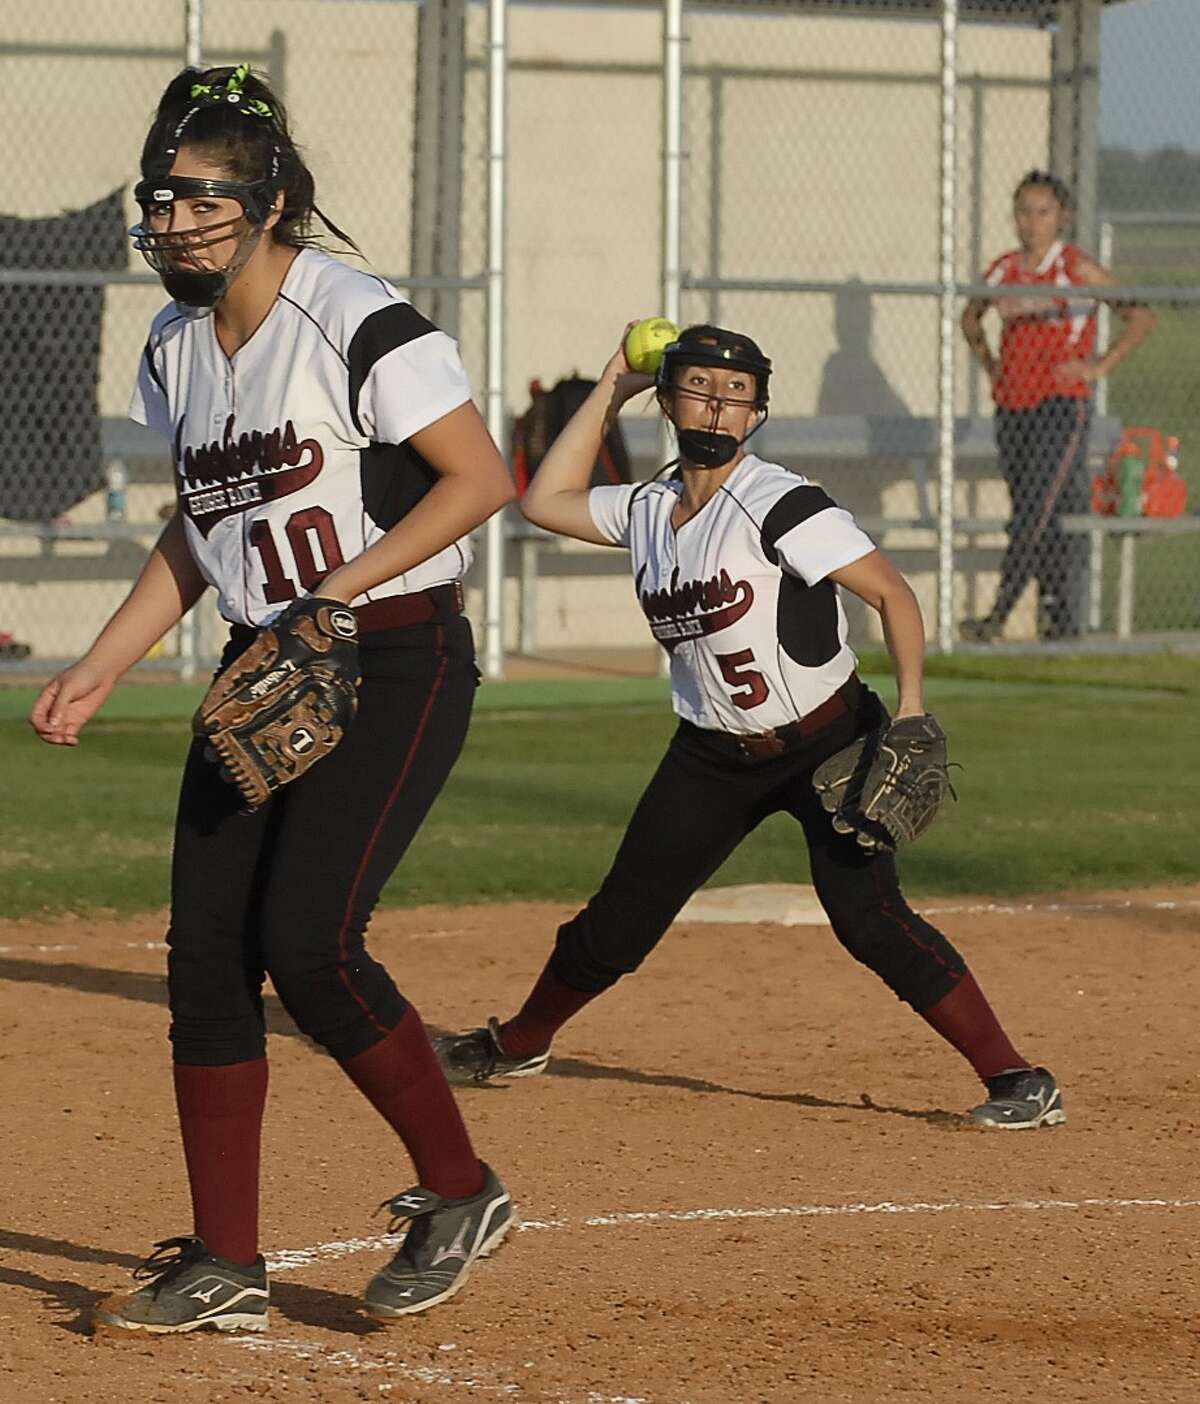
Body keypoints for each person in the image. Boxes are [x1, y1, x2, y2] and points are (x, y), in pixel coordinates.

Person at [29, 64, 516, 1334]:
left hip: (395, 655)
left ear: (273, 197)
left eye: (204, 197)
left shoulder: (357, 315)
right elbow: (206, 525)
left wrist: (331, 599)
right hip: (267, 662)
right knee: (204, 960)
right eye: (163, 197)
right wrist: (107, 658)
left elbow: (480, 479)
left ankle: (460, 1190)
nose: (177, 220)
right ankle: (227, 1261)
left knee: (310, 946)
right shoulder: (175, 340)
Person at [434, 322, 1065, 1132]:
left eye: (738, 394)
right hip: (711, 754)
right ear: (667, 400)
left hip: (829, 740)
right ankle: (520, 1041)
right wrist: (607, 390)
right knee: (619, 918)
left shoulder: (779, 502)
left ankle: (1017, 1076)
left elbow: (893, 595)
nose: (718, 405)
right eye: (699, 386)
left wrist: (909, 710)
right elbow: (542, 501)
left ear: (757, 415)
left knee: (870, 921)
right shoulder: (649, 507)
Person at [959, 170, 1154, 643]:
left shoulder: (1073, 268)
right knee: (1036, 510)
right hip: (1013, 404)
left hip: (1059, 404)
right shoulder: (1006, 268)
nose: (1031, 222)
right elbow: (971, 316)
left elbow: (1140, 316)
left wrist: (1097, 367)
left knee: (1034, 509)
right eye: (1023, 211)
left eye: (1042, 212)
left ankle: (998, 616)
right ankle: (1059, 617)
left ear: (1061, 216)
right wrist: (992, 365)